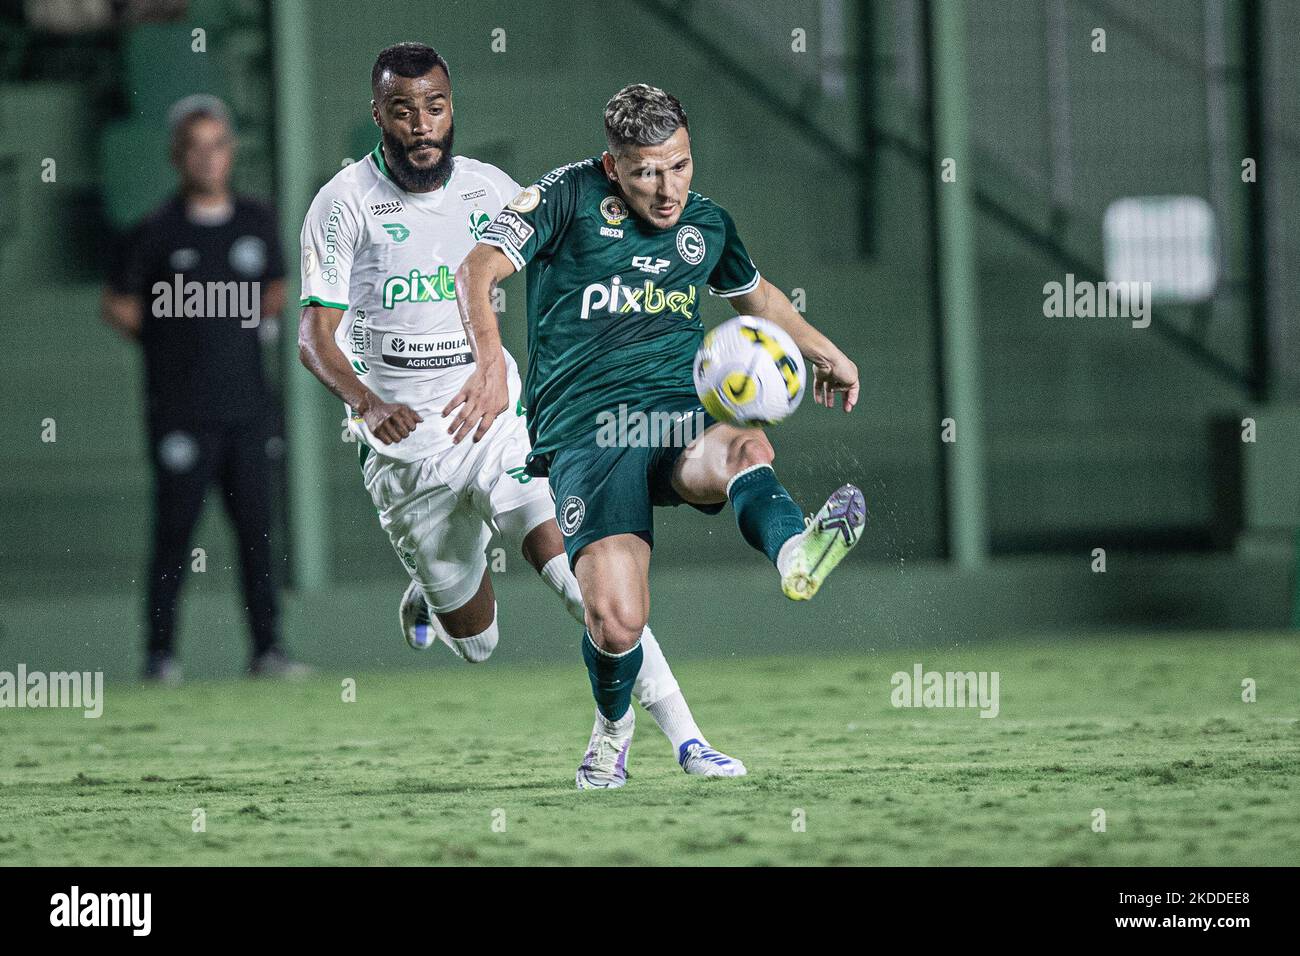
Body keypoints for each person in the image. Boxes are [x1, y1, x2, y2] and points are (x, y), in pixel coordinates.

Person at [297, 43, 744, 778]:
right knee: (478, 643)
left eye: (435, 106)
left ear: (452, 107)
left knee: (584, 578)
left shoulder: (491, 191)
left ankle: (688, 739)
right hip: (408, 454)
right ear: (378, 113)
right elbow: (315, 338)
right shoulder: (341, 204)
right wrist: (367, 404)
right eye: (403, 110)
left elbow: (579, 271)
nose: (421, 124)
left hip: (501, 427)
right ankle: (433, 596)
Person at [455, 83, 867, 789]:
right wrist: (488, 358)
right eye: (646, 171)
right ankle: (613, 729)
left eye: (678, 165)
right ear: (613, 166)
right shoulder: (563, 197)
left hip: (676, 409)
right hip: (587, 429)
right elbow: (478, 267)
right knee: (616, 624)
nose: (667, 187)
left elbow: (757, 299)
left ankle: (796, 551)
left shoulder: (706, 225)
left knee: (745, 445)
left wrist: (823, 347)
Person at [102, 95, 306, 681]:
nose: (208, 157)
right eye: (196, 146)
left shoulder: (257, 220)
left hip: (248, 410)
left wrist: (243, 321)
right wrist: (169, 338)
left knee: (257, 535)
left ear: (231, 151)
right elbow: (116, 303)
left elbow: (276, 286)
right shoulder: (155, 230)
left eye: (218, 144)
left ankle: (267, 650)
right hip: (180, 414)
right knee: (173, 537)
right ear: (176, 156)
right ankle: (160, 656)